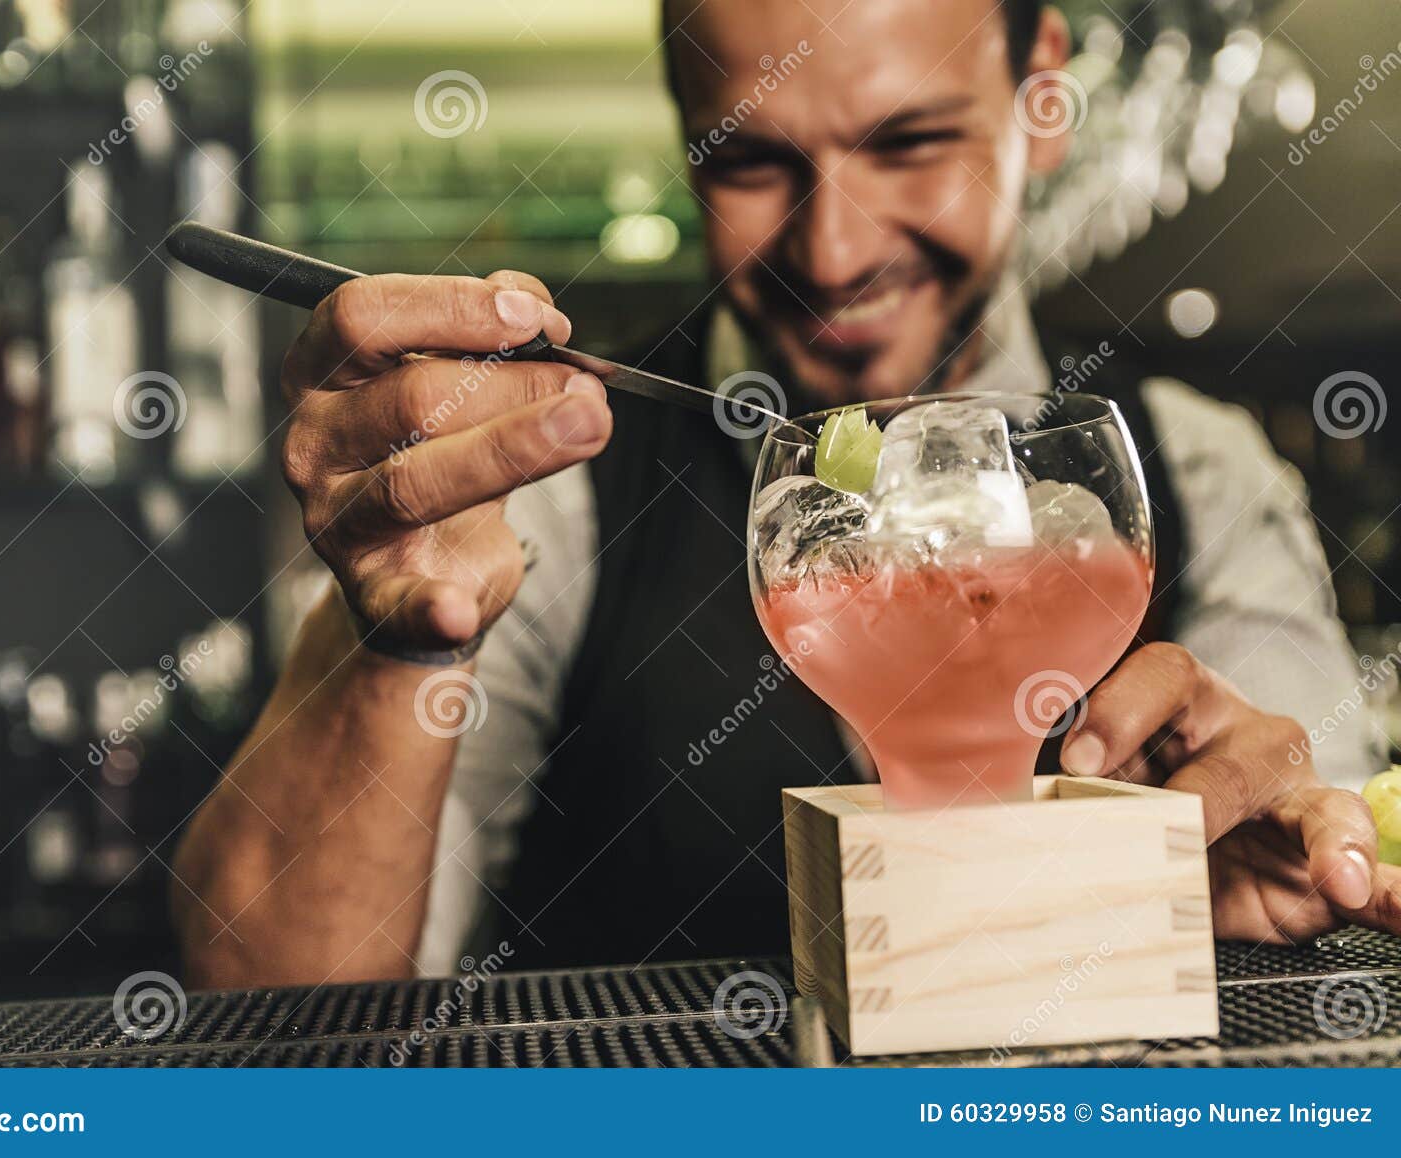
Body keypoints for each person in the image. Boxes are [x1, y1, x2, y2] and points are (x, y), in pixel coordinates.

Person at [173, 0, 1400, 987]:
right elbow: (269, 995)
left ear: (1042, 90)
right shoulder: (552, 492)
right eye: (754, 162)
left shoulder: (1193, 469)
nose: (834, 252)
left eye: (908, 143)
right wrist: (394, 640)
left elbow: (1340, 862)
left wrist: (1278, 861)